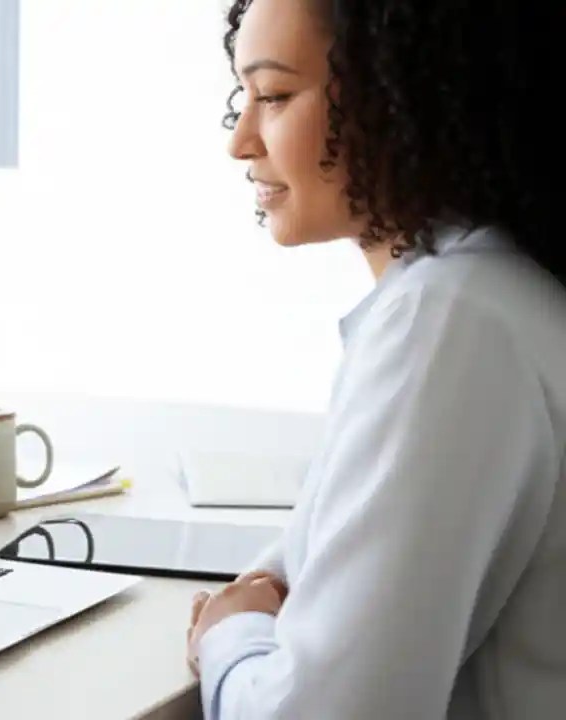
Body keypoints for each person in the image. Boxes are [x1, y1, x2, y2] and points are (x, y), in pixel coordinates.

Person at [185, 0, 566, 717]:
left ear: (396, 99)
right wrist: (273, 581)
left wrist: (229, 637)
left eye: (273, 96)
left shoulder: (448, 323)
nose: (241, 141)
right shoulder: (488, 292)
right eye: (244, 96)